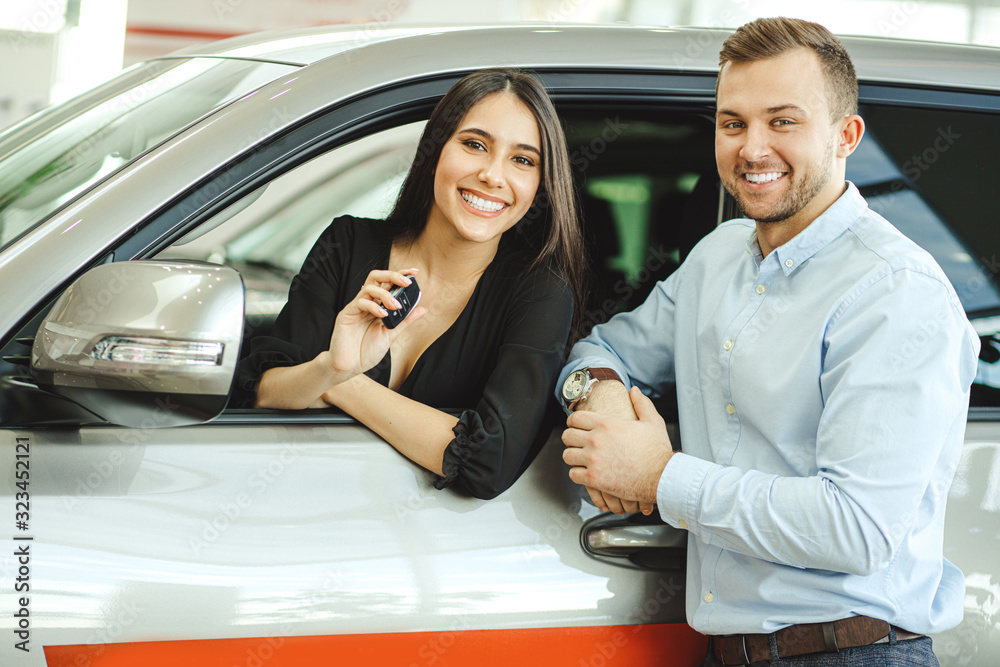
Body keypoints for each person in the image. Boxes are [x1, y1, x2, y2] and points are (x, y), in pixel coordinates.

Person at [557, 17, 979, 667]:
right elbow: (600, 349)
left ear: (847, 135)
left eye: (783, 121)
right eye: (733, 123)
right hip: (726, 650)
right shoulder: (717, 257)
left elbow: (856, 526)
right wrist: (603, 395)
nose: (752, 148)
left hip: (851, 651)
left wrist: (660, 476)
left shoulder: (895, 292)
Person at [236, 68, 586, 500]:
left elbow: (488, 462)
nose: (493, 176)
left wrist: (340, 383)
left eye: (523, 160)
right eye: (475, 144)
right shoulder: (347, 244)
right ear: (436, 147)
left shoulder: (540, 293)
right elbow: (265, 393)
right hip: (300, 509)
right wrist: (331, 366)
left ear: (540, 184)